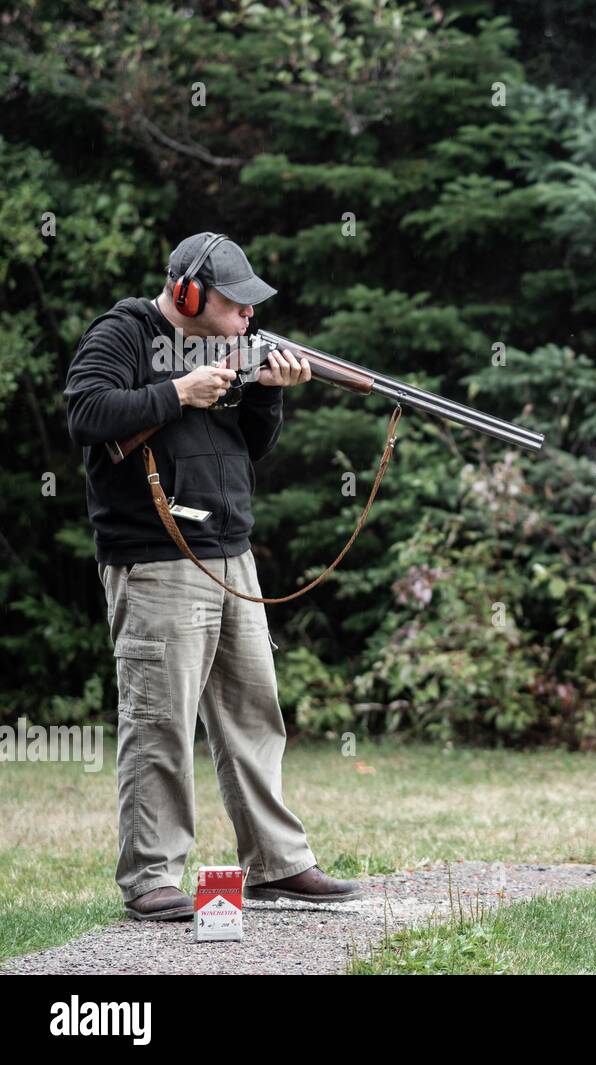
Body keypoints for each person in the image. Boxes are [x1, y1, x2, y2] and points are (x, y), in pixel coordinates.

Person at [64, 232, 363, 920]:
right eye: (236, 304)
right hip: (156, 557)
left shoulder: (234, 346)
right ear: (189, 293)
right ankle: (151, 876)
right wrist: (178, 391)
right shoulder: (123, 333)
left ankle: (277, 864)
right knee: (159, 720)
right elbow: (86, 413)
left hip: (231, 552)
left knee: (254, 714)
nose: (249, 317)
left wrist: (267, 395)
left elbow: (246, 447)